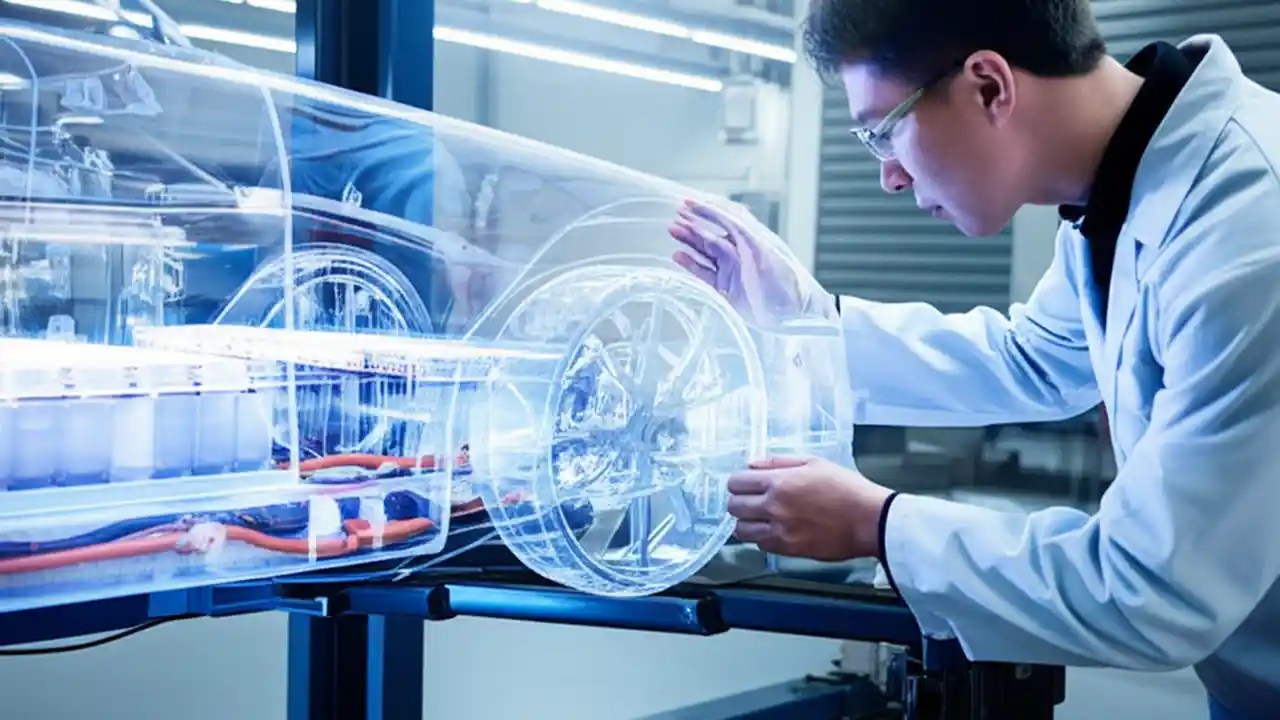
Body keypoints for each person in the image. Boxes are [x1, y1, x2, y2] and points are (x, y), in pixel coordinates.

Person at [667, 1, 1280, 718]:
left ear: (989, 86)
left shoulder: (1250, 232)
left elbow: (1155, 589)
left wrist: (879, 525)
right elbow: (1038, 358)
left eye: (882, 132)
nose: (890, 177)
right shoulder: (1126, 182)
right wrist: (805, 323)